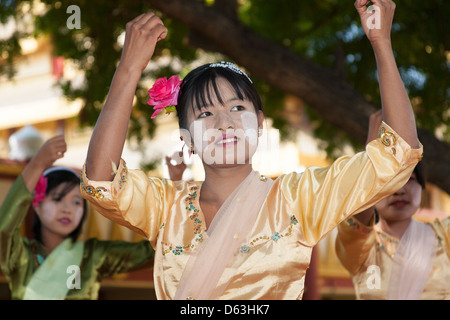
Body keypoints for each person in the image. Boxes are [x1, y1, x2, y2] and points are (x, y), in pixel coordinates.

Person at [80, 1, 423, 300]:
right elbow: (101, 181)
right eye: (205, 113)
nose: (224, 123)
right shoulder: (166, 208)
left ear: (260, 123)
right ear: (187, 138)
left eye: (237, 108)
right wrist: (128, 70)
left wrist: (381, 43)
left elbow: (398, 154)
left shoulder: (298, 199)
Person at [0, 135, 155, 300]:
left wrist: (177, 195)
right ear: (37, 205)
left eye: (76, 202)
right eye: (58, 198)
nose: (68, 209)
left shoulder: (92, 255)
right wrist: (36, 165)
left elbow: (155, 251)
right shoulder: (20, 255)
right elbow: (4, 229)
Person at [335, 111, 450, 300]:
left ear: (422, 186)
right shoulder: (362, 246)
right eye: (389, 182)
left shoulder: (443, 236)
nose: (399, 190)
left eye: (409, 179)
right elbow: (357, 213)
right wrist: (372, 153)